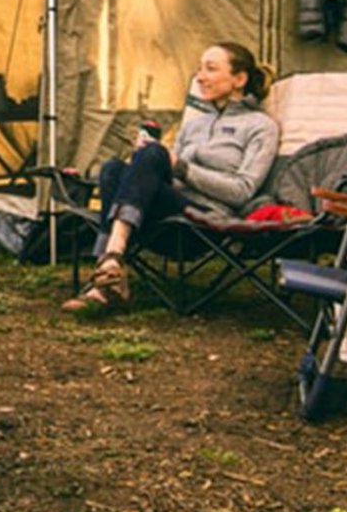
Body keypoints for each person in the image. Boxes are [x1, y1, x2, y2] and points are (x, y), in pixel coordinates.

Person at [61, 42, 280, 313]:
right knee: (113, 168)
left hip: (206, 221)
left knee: (153, 154)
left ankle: (109, 266)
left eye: (210, 69)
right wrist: (144, 165)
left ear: (240, 79)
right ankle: (112, 267)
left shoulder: (261, 127)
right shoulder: (194, 125)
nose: (199, 77)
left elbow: (243, 191)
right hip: (165, 215)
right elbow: (164, 172)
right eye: (199, 69)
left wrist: (180, 167)